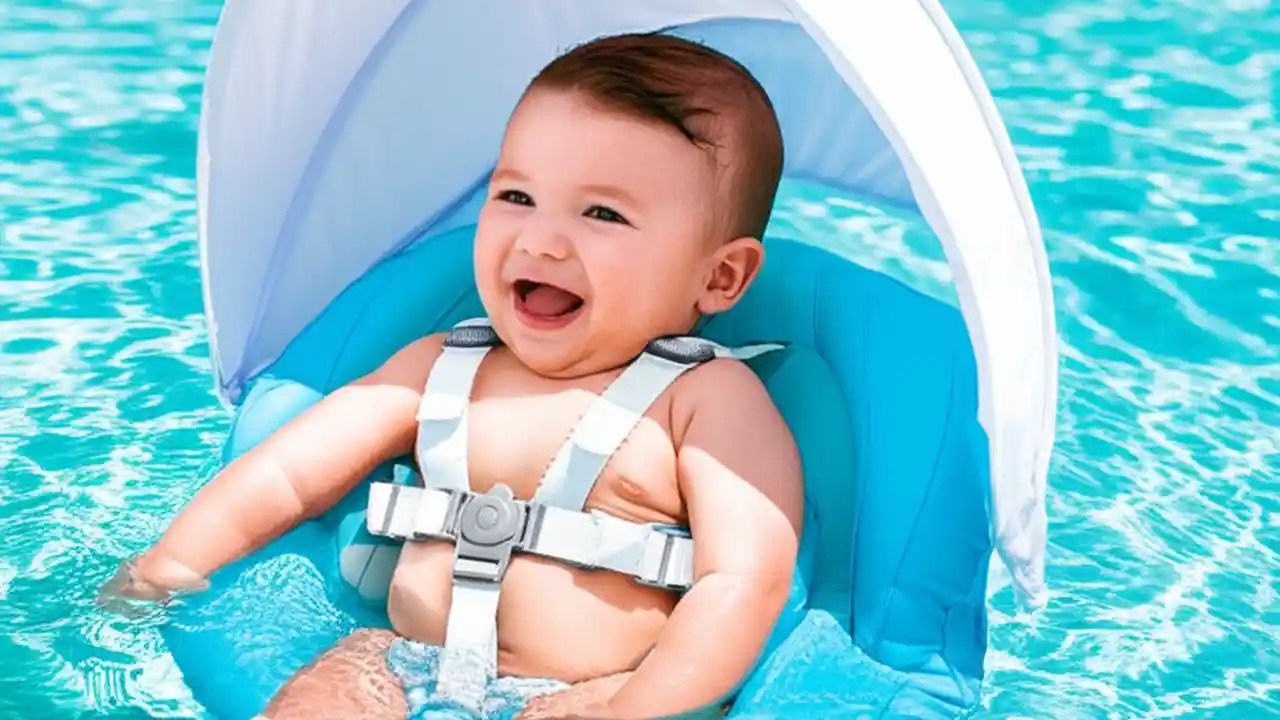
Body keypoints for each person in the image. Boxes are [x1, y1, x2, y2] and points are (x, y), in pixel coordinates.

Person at [102, 32, 803, 720]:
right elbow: (286, 474)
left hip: (593, 690)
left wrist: (633, 705)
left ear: (721, 276)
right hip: (398, 661)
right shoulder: (441, 366)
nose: (539, 239)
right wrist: (169, 563)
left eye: (603, 213)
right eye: (516, 197)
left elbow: (742, 580)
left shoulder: (703, 400)